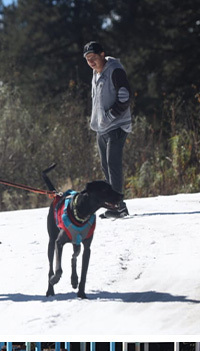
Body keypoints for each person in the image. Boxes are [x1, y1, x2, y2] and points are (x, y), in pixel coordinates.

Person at [84, 41, 132, 219]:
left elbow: (125, 96)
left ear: (102, 54)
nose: (91, 62)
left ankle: (117, 206)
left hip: (117, 126)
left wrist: (111, 116)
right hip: (101, 129)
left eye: (94, 58)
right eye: (88, 59)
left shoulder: (115, 69)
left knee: (113, 165)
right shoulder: (95, 73)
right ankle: (116, 203)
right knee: (106, 166)